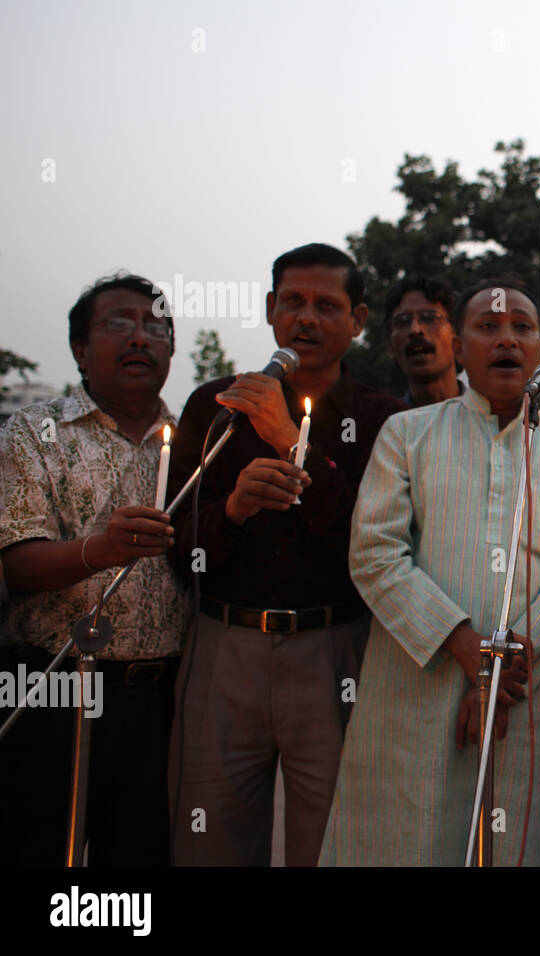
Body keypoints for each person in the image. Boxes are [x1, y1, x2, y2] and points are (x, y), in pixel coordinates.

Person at [320, 276, 540, 866]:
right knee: (412, 841)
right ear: (459, 345)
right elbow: (374, 553)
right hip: (419, 688)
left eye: (521, 327)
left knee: (524, 847)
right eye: (488, 326)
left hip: (534, 692)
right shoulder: (407, 434)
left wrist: (502, 670)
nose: (507, 339)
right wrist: (469, 650)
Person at [167, 243, 407, 866]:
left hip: (336, 650)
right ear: (271, 309)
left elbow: (377, 544)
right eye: (293, 302)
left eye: (328, 306)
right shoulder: (218, 406)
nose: (307, 318)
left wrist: (284, 437)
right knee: (209, 836)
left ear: (356, 320)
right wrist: (232, 513)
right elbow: (176, 549)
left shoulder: (386, 420)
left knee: (331, 842)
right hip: (225, 645)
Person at [0, 273, 191, 865]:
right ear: (80, 350)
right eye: (119, 324)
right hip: (51, 686)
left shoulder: (192, 442)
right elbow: (16, 563)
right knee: (42, 849)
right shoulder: (33, 431)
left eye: (155, 326)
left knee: (140, 863)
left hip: (160, 698)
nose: (140, 338)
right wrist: (99, 550)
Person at [385, 274, 462, 407]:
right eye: (403, 321)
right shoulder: (382, 425)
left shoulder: (496, 418)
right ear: (390, 347)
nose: (415, 330)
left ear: (458, 338)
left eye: (430, 318)